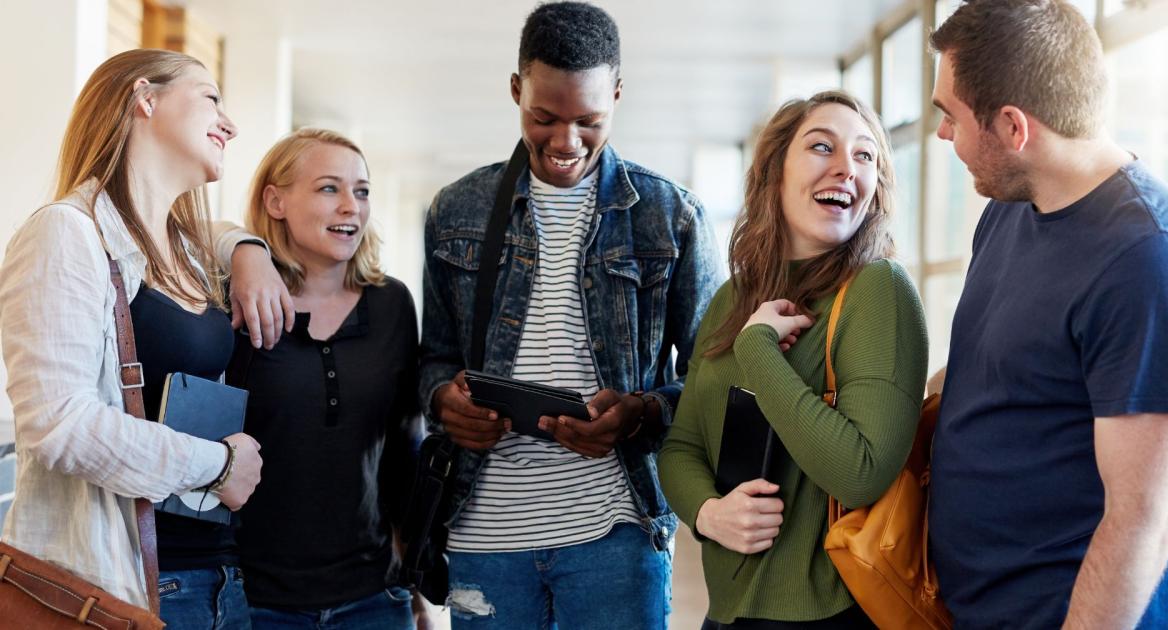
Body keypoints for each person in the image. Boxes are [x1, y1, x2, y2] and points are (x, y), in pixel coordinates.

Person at [418, 2, 722, 627]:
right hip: (485, 534)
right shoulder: (456, 210)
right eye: (544, 117)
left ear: (616, 93)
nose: (565, 142)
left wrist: (641, 412)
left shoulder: (672, 216)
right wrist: (442, 403)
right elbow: (436, 358)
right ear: (515, 90)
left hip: (616, 530)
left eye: (589, 119)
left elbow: (714, 379)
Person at [927, 1, 1168, 628]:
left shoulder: (1152, 258)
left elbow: (1143, 521)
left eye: (950, 115)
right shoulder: (1009, 209)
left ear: (1013, 127)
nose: (943, 134)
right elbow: (992, 371)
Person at [0, 48, 284, 628]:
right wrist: (218, 464)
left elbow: (213, 230)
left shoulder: (186, 255)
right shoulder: (64, 233)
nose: (229, 124)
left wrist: (248, 247)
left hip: (219, 580)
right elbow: (57, 423)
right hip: (119, 585)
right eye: (211, 98)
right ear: (144, 98)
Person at [658, 90, 928, 630]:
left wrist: (759, 352)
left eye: (865, 156)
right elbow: (682, 444)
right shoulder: (734, 298)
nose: (845, 169)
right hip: (728, 612)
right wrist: (710, 515)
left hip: (827, 612)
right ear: (775, 172)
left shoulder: (878, 289)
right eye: (822, 147)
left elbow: (860, 475)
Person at [224, 128, 428, 629]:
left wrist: (416, 588)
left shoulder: (392, 305)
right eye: (328, 188)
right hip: (256, 601)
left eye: (361, 191)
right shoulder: (234, 303)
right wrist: (242, 253)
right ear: (275, 201)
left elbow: (403, 450)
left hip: (373, 598)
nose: (351, 208)